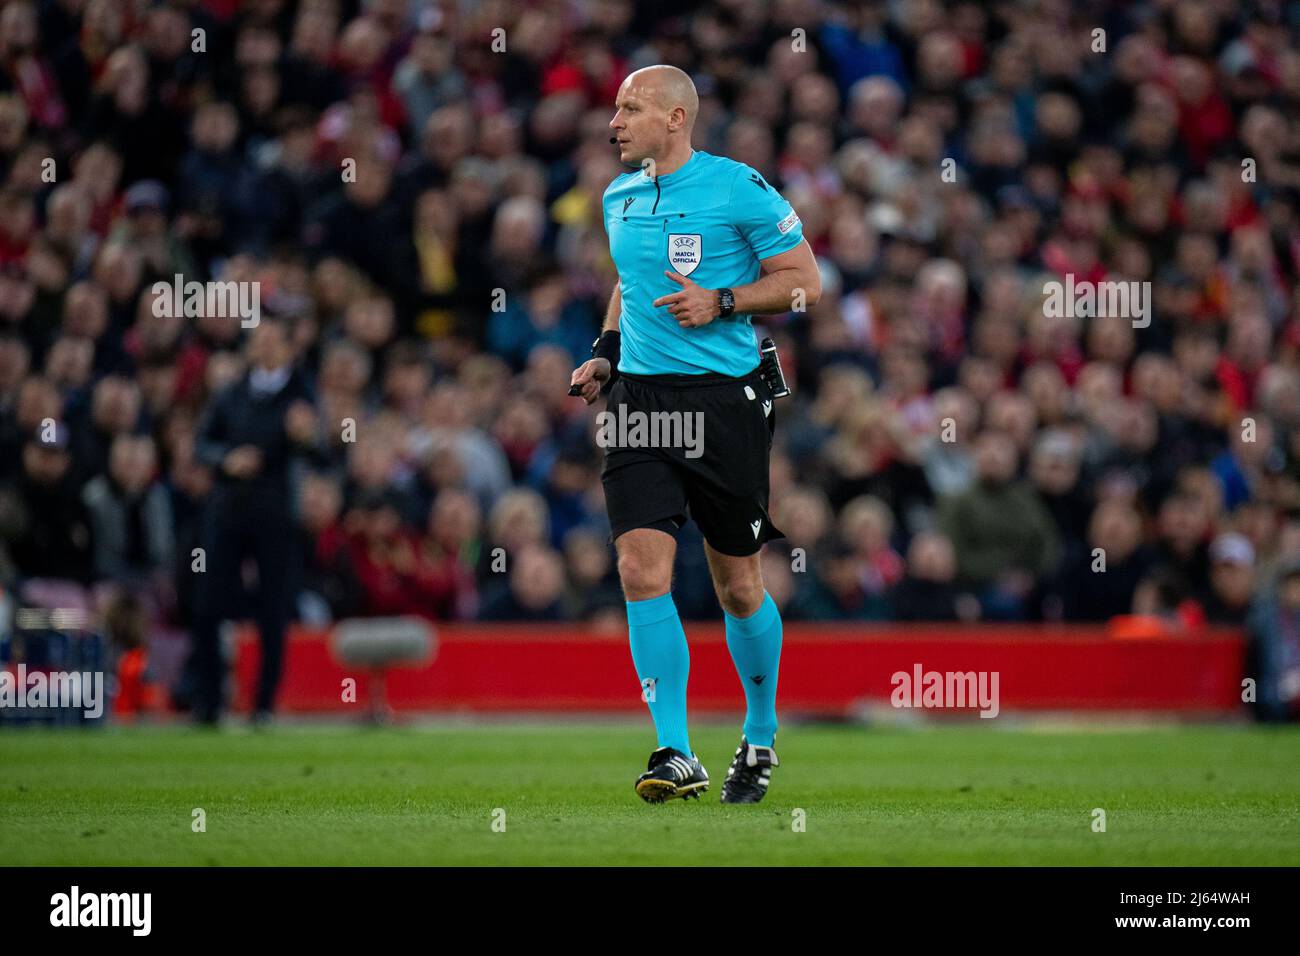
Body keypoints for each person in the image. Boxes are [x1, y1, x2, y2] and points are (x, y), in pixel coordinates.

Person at [569, 65, 821, 804]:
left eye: (630, 108)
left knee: (737, 584)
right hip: (641, 403)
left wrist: (726, 300)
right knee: (639, 571)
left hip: (725, 405)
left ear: (676, 119)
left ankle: (762, 732)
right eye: (613, 107)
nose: (614, 121)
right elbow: (628, 279)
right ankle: (675, 750)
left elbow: (806, 280)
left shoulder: (737, 187)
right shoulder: (618, 196)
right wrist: (605, 353)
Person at [188, 317, 323, 725]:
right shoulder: (230, 394)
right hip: (227, 507)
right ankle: (207, 702)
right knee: (209, 602)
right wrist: (226, 460)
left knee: (274, 608)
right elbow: (201, 444)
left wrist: (306, 438)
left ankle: (263, 704)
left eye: (272, 340)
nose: (263, 348)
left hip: (275, 512)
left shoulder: (303, 396)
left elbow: (324, 454)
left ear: (288, 348)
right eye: (258, 340)